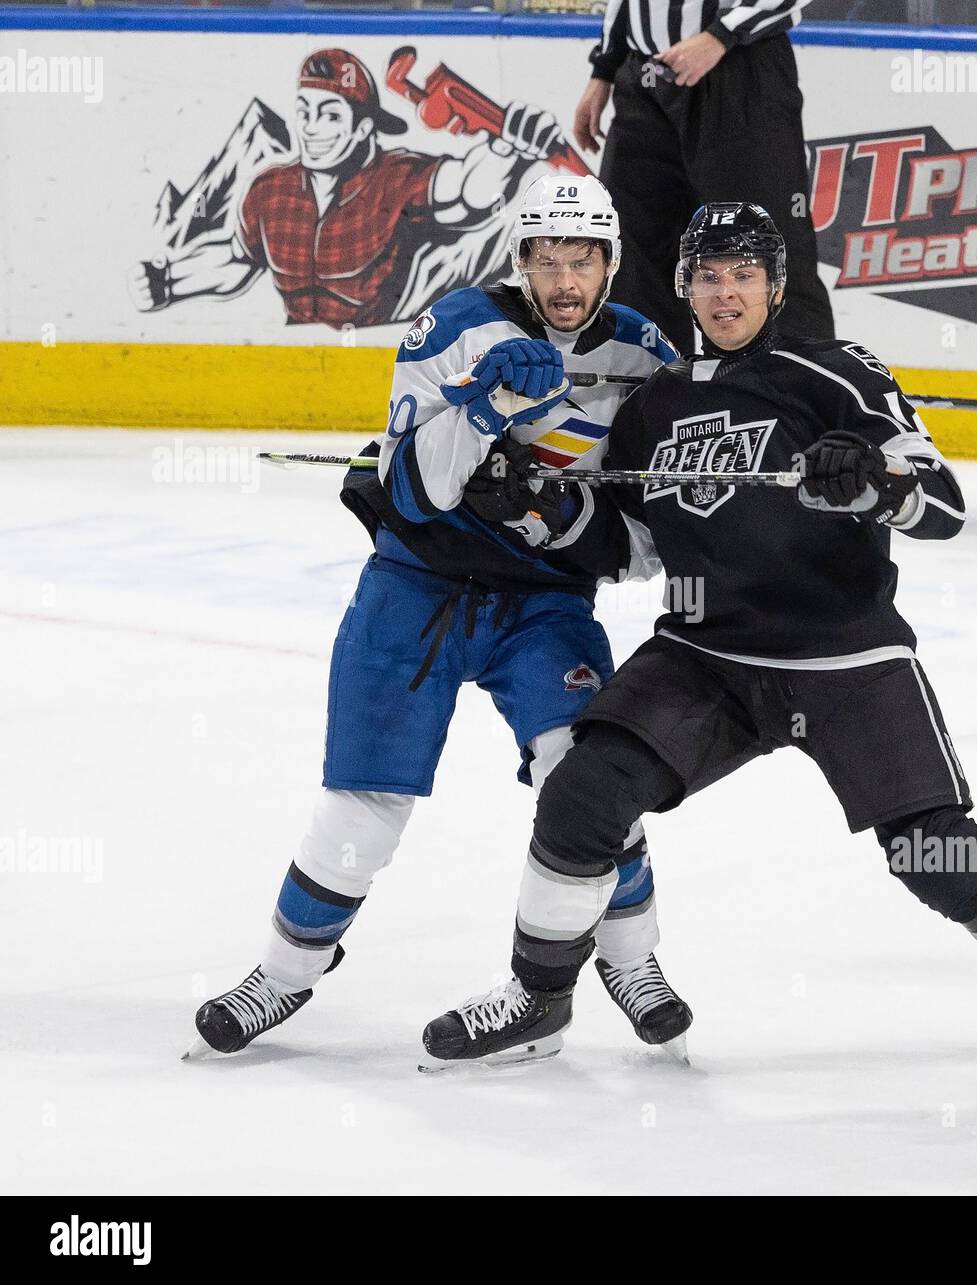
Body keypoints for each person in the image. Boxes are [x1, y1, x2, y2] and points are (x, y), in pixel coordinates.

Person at [421, 202, 977, 1070]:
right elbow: (633, 549)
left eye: (742, 275)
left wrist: (874, 482)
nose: (724, 293)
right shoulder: (654, 406)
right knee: (583, 792)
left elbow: (945, 504)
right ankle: (539, 997)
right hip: (708, 652)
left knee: (934, 852)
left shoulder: (838, 374)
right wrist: (543, 509)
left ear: (775, 287)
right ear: (682, 286)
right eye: (707, 275)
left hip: (843, 655)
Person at [187, 176, 693, 1060]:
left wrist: (547, 515)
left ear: (610, 263)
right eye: (547, 260)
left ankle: (633, 962)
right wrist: (485, 409)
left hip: (544, 603)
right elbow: (414, 494)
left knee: (588, 779)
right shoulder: (453, 328)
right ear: (520, 260)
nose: (565, 280)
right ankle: (284, 971)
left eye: (583, 261)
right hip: (416, 588)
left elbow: (647, 546)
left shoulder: (647, 357)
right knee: (363, 807)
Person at [131, 48, 563, 328]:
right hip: (302, 345)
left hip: (399, 334)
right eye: (304, 112)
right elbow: (238, 259)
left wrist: (507, 148)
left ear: (362, 128)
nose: (311, 128)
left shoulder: (393, 177)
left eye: (330, 115)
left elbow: (463, 187)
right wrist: (170, 281)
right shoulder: (269, 190)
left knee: (485, 241)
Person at [575, 0, 834, 355]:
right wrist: (605, 66)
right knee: (634, 257)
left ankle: (801, 398)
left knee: (764, 248)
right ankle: (657, 396)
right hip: (643, 79)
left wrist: (720, 36)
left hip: (739, 68)